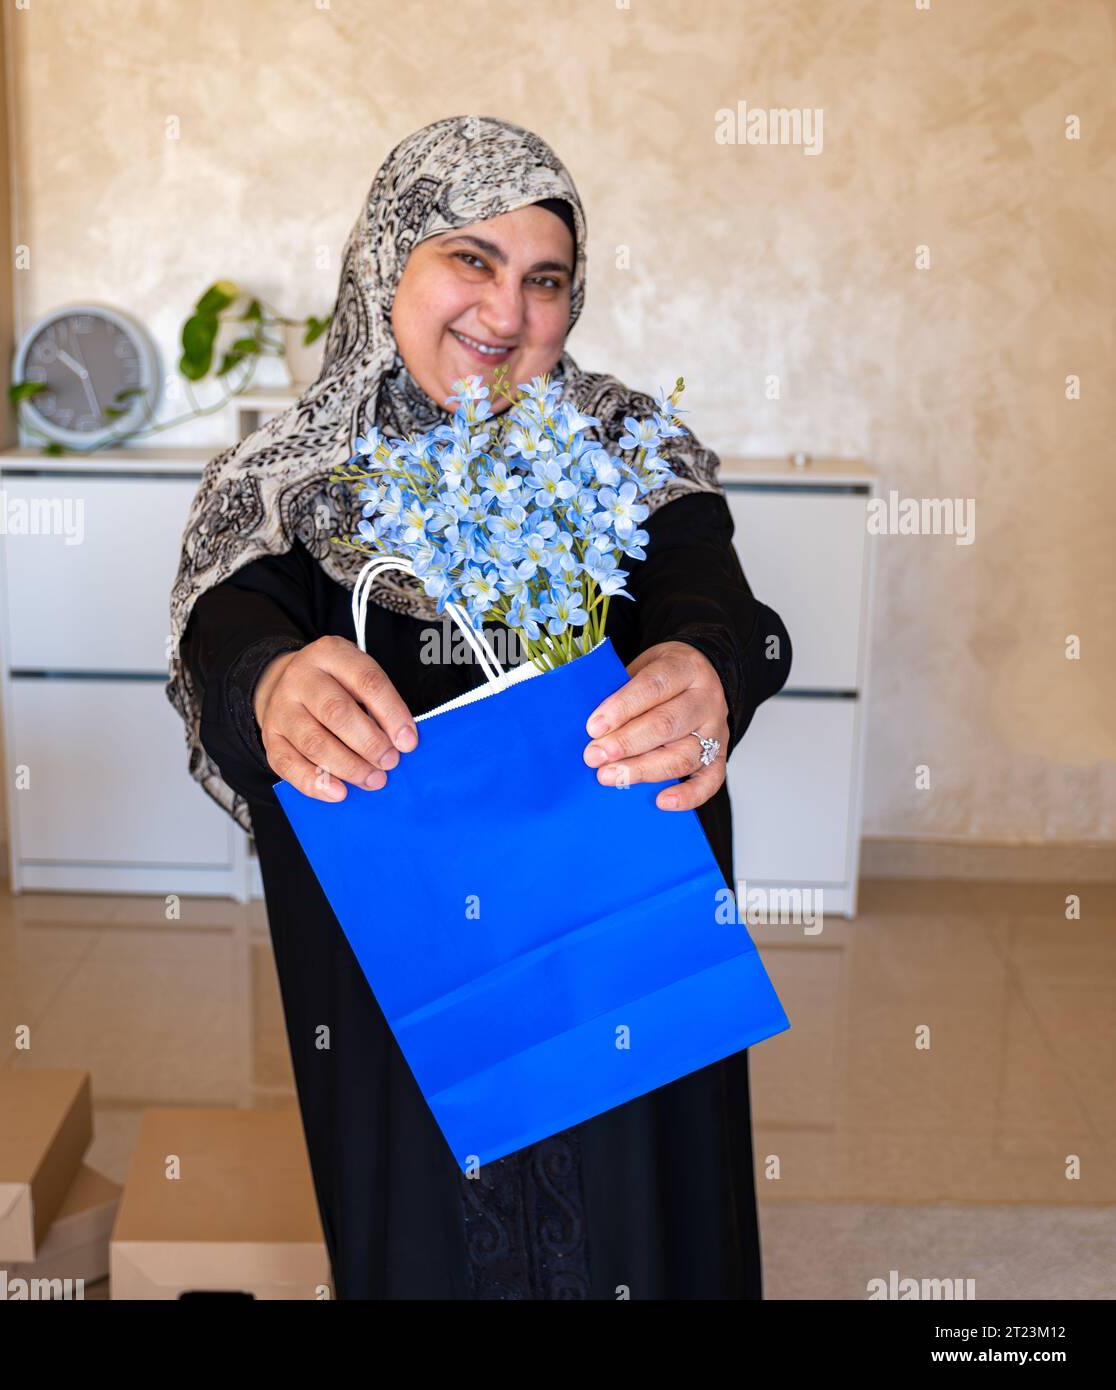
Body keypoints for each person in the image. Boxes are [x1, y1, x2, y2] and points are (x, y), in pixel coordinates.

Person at [167, 115, 792, 1300]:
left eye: (544, 280)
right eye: (470, 260)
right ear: (384, 263)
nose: (507, 316)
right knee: (429, 1232)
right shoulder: (290, 478)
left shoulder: (622, 448)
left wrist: (706, 667)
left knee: (646, 1226)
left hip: (615, 941)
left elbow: (713, 598)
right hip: (400, 957)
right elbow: (225, 630)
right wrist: (272, 684)